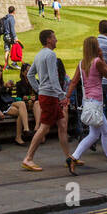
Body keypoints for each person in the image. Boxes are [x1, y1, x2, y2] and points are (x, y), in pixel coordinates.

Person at [65, 36, 107, 172]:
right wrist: (102, 58)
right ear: (95, 47)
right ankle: (74, 157)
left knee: (101, 132)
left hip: (87, 101)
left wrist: (67, 97)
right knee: (97, 134)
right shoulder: (97, 62)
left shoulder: (82, 63)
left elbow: (73, 82)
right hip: (96, 101)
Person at [21, 29, 72, 172]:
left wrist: (39, 89)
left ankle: (69, 157)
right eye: (54, 37)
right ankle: (28, 158)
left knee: (62, 124)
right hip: (50, 96)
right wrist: (62, 96)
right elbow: (53, 77)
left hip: (47, 94)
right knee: (44, 127)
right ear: (49, 40)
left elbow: (31, 75)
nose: (56, 40)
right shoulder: (50, 55)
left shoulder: (39, 55)